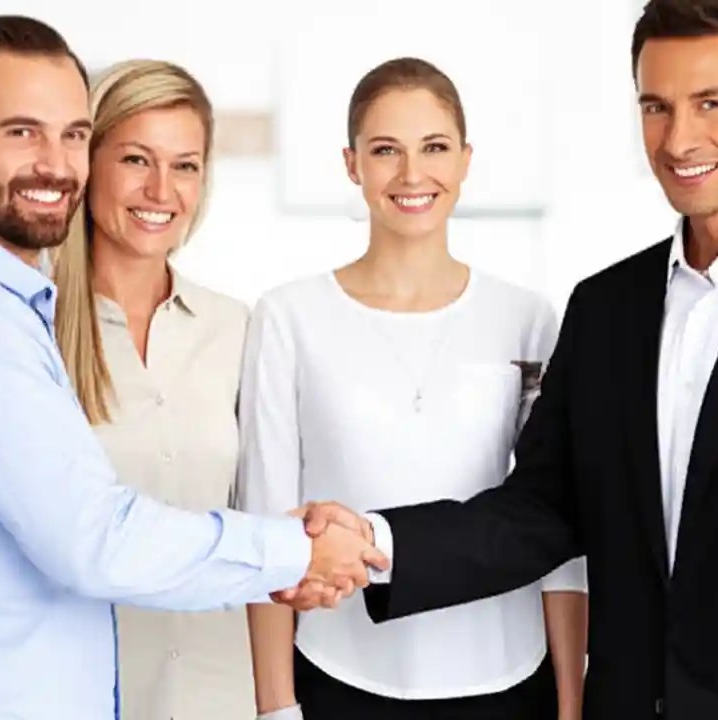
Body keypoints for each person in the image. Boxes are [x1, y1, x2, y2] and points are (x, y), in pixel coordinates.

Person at [288, 1, 718, 718]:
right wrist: (378, 540)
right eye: (656, 106)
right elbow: (541, 511)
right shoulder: (605, 308)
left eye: (710, 103)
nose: (678, 138)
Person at [0, 16, 380, 720]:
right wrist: (295, 553)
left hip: (195, 688)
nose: (55, 160)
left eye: (70, 134)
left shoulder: (234, 327)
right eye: (22, 131)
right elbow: (91, 538)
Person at [238, 57, 588, 720]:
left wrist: (570, 704)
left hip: (509, 681)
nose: (411, 175)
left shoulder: (527, 316)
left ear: (464, 160)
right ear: (352, 164)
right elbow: (266, 525)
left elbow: (556, 532)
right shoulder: (288, 316)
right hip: (339, 678)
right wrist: (276, 707)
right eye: (384, 151)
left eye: (433, 148)